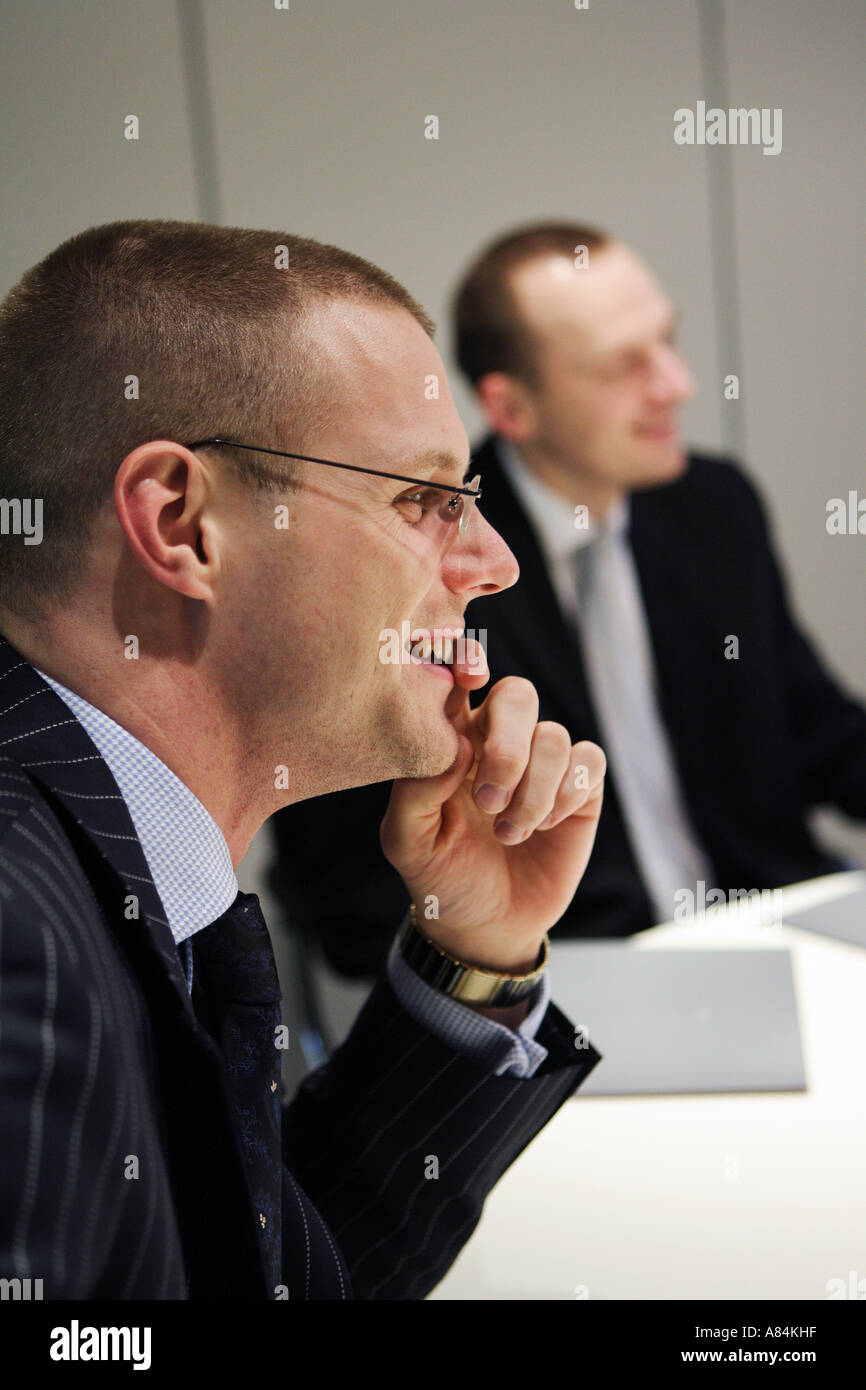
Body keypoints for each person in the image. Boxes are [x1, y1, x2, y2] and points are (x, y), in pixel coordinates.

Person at [0, 219, 605, 1301]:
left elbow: (264, 1276)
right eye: (422, 498)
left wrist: (475, 951)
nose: (494, 562)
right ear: (183, 525)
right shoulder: (17, 946)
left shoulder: (99, 850)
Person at [270, 221, 866, 976]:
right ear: (513, 408)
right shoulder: (421, 556)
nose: (676, 384)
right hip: (565, 968)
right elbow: (347, 875)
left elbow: (816, 730)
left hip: (761, 931)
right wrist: (491, 962)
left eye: (667, 342)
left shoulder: (713, 507)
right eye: (625, 366)